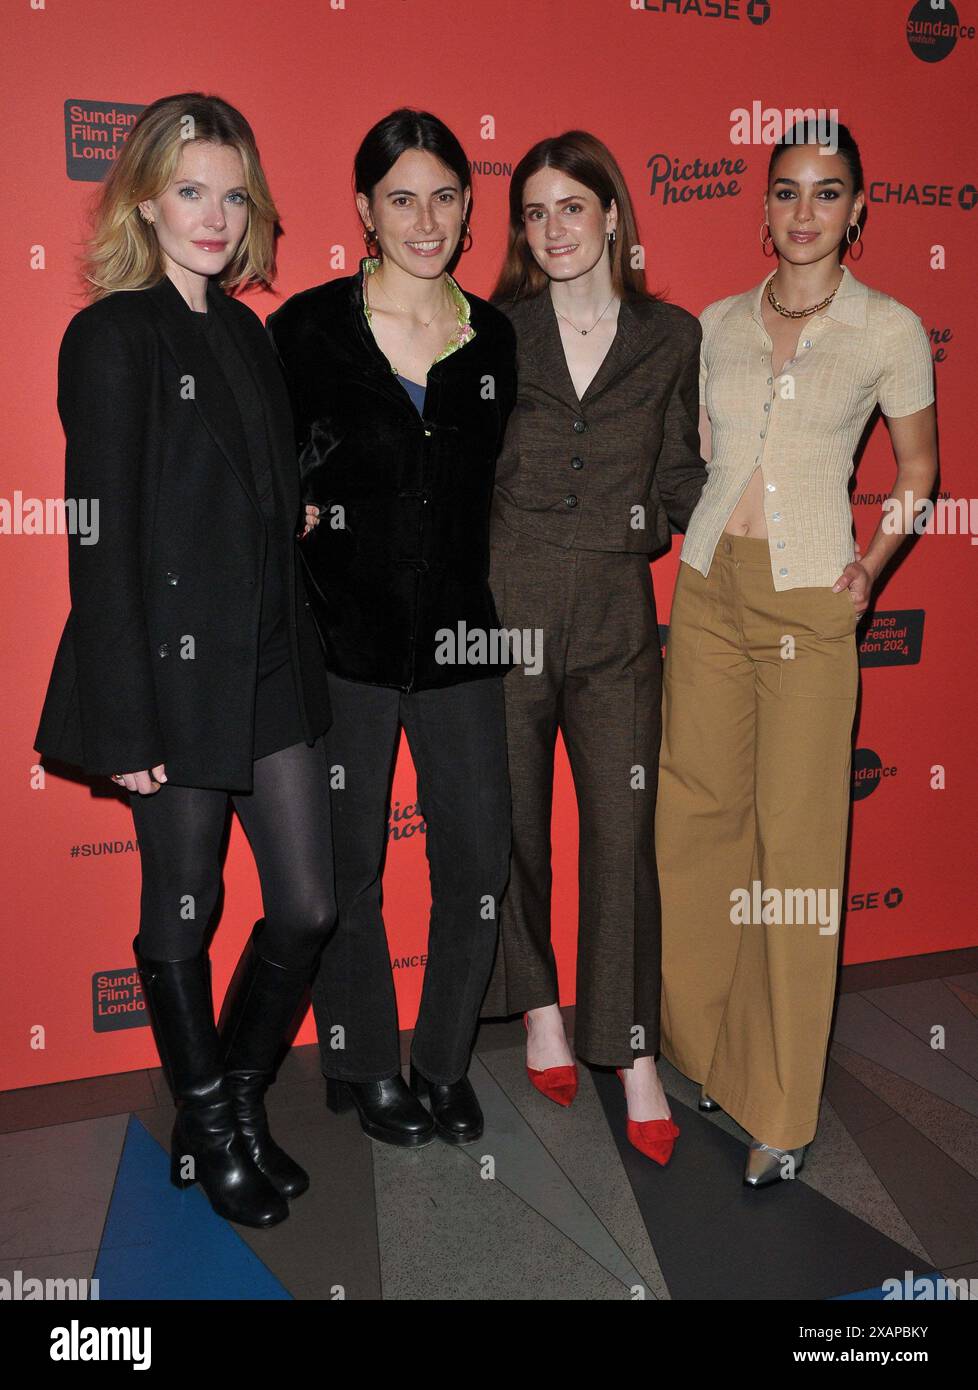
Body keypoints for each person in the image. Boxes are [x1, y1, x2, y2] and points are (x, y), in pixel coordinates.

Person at [33, 93, 336, 1228]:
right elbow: (99, 534)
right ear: (147, 199)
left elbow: (254, 496)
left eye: (233, 192)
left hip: (267, 664)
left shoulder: (248, 332)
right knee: (186, 905)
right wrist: (127, 721)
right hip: (168, 674)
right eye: (192, 190)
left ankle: (237, 1097)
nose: (215, 215)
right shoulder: (111, 334)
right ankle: (211, 1127)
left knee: (306, 905)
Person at [656, 121, 938, 1186]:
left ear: (859, 207)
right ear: (763, 206)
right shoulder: (719, 324)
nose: (806, 211)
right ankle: (709, 1053)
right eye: (787, 192)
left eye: (828, 193)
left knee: (800, 850)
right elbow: (699, 457)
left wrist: (873, 563)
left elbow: (921, 467)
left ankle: (781, 1107)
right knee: (697, 824)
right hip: (709, 592)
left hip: (813, 600)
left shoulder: (889, 328)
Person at [266, 109, 516, 1148]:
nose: (426, 218)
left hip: (464, 641)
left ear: (469, 207)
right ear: (365, 210)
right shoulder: (309, 329)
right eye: (401, 197)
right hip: (344, 641)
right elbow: (271, 479)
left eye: (446, 196)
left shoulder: (494, 337)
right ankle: (365, 1061)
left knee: (478, 865)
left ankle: (444, 1061)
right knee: (347, 867)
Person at [479, 131, 707, 1165]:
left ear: (614, 214)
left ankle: (632, 1046)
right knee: (516, 823)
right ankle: (537, 1007)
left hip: (619, 611)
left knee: (623, 835)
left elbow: (681, 480)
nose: (554, 227)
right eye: (534, 211)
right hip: (508, 596)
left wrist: (751, 540)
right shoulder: (490, 330)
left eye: (573, 206)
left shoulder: (673, 334)